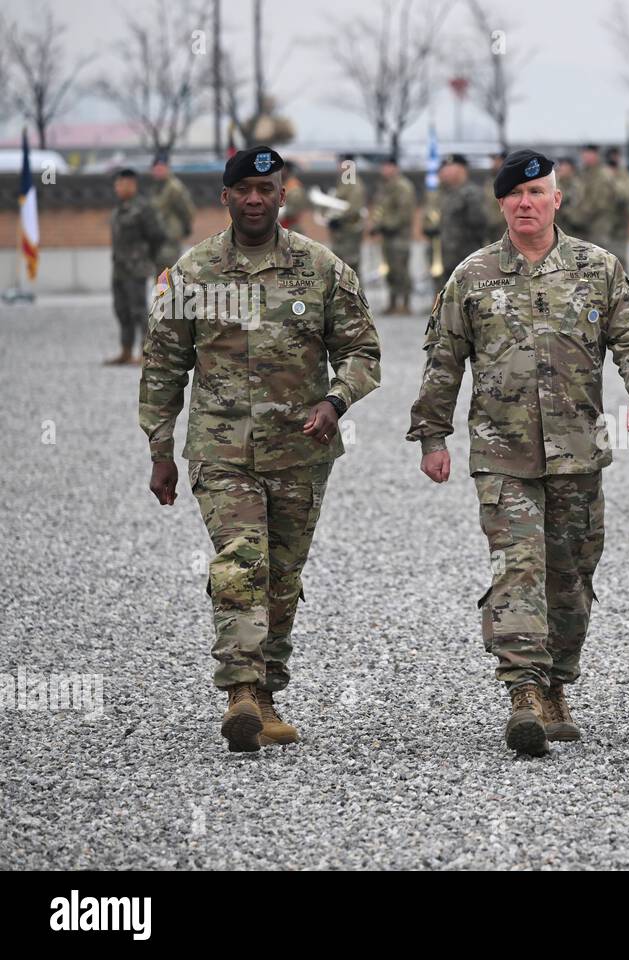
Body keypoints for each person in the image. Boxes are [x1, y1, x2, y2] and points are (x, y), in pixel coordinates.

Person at [407, 149, 629, 757]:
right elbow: (443, 361)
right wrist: (431, 435)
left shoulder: (597, 268)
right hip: (502, 454)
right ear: (502, 203)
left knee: (572, 575)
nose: (527, 204)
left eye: (538, 194)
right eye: (516, 196)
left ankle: (556, 684)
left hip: (579, 450)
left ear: (557, 200)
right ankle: (523, 692)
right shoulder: (472, 277)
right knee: (517, 567)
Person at [139, 146, 381, 752]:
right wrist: (160, 450)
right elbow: (164, 366)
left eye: (265, 189)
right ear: (224, 197)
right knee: (241, 562)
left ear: (282, 196)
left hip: (301, 452)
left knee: (282, 576)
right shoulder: (191, 274)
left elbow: (361, 351)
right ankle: (241, 692)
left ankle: (267, 693)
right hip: (221, 453)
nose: (254, 198)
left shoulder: (321, 269)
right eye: (243, 188)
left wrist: (337, 400)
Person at [108, 168, 169, 366]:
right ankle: (125, 350)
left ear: (131, 184)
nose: (117, 187)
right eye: (116, 184)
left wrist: (144, 256)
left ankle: (145, 352)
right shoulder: (119, 208)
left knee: (138, 311)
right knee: (121, 309)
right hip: (119, 268)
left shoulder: (143, 208)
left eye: (120, 184)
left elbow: (158, 235)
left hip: (136, 267)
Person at [433, 153, 490, 288]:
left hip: (465, 257)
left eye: (448, 168)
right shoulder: (445, 194)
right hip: (445, 257)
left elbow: (480, 224)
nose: (443, 172)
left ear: (461, 170)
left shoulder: (472, 193)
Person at [370, 156, 416, 315]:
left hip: (399, 236)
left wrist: (384, 225)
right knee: (390, 271)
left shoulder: (403, 187)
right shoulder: (385, 187)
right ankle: (393, 303)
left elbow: (403, 214)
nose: (384, 170)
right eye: (383, 166)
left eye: (387, 166)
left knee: (401, 270)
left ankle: (405, 304)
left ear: (395, 168)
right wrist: (376, 225)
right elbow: (381, 210)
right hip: (388, 237)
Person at [328, 153, 367, 289]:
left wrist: (339, 218)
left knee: (350, 266)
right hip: (341, 233)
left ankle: (356, 299)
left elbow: (354, 208)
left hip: (350, 231)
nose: (339, 167)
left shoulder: (354, 183)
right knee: (340, 267)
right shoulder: (344, 183)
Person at [149, 153, 195, 269]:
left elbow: (187, 211)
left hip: (170, 238)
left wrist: (184, 229)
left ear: (167, 168)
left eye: (162, 167)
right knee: (160, 278)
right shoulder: (156, 187)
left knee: (167, 275)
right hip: (158, 239)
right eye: (156, 168)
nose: (158, 170)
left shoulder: (174, 188)